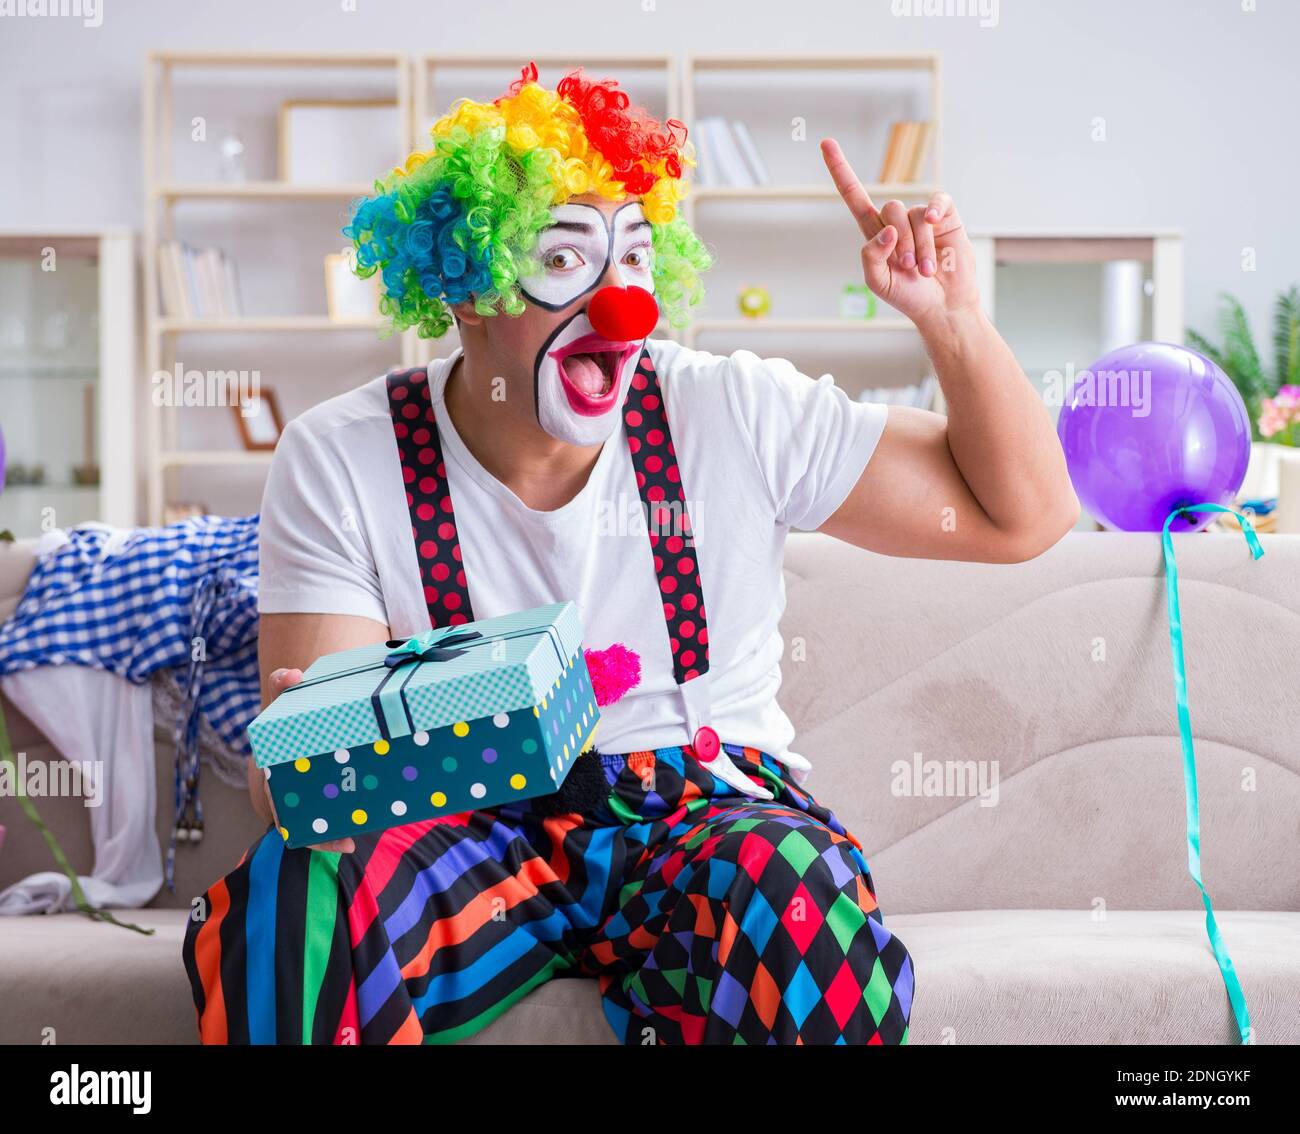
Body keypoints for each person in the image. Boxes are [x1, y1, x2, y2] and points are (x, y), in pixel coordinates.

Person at [181, 62, 1078, 1045]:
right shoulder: (341, 454)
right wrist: (320, 764)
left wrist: (952, 321)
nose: (624, 308)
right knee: (305, 884)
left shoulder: (732, 408)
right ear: (470, 286)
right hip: (470, 826)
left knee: (787, 888)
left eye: (638, 259)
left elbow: (1019, 518)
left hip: (708, 820)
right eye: (567, 260)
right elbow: (302, 793)